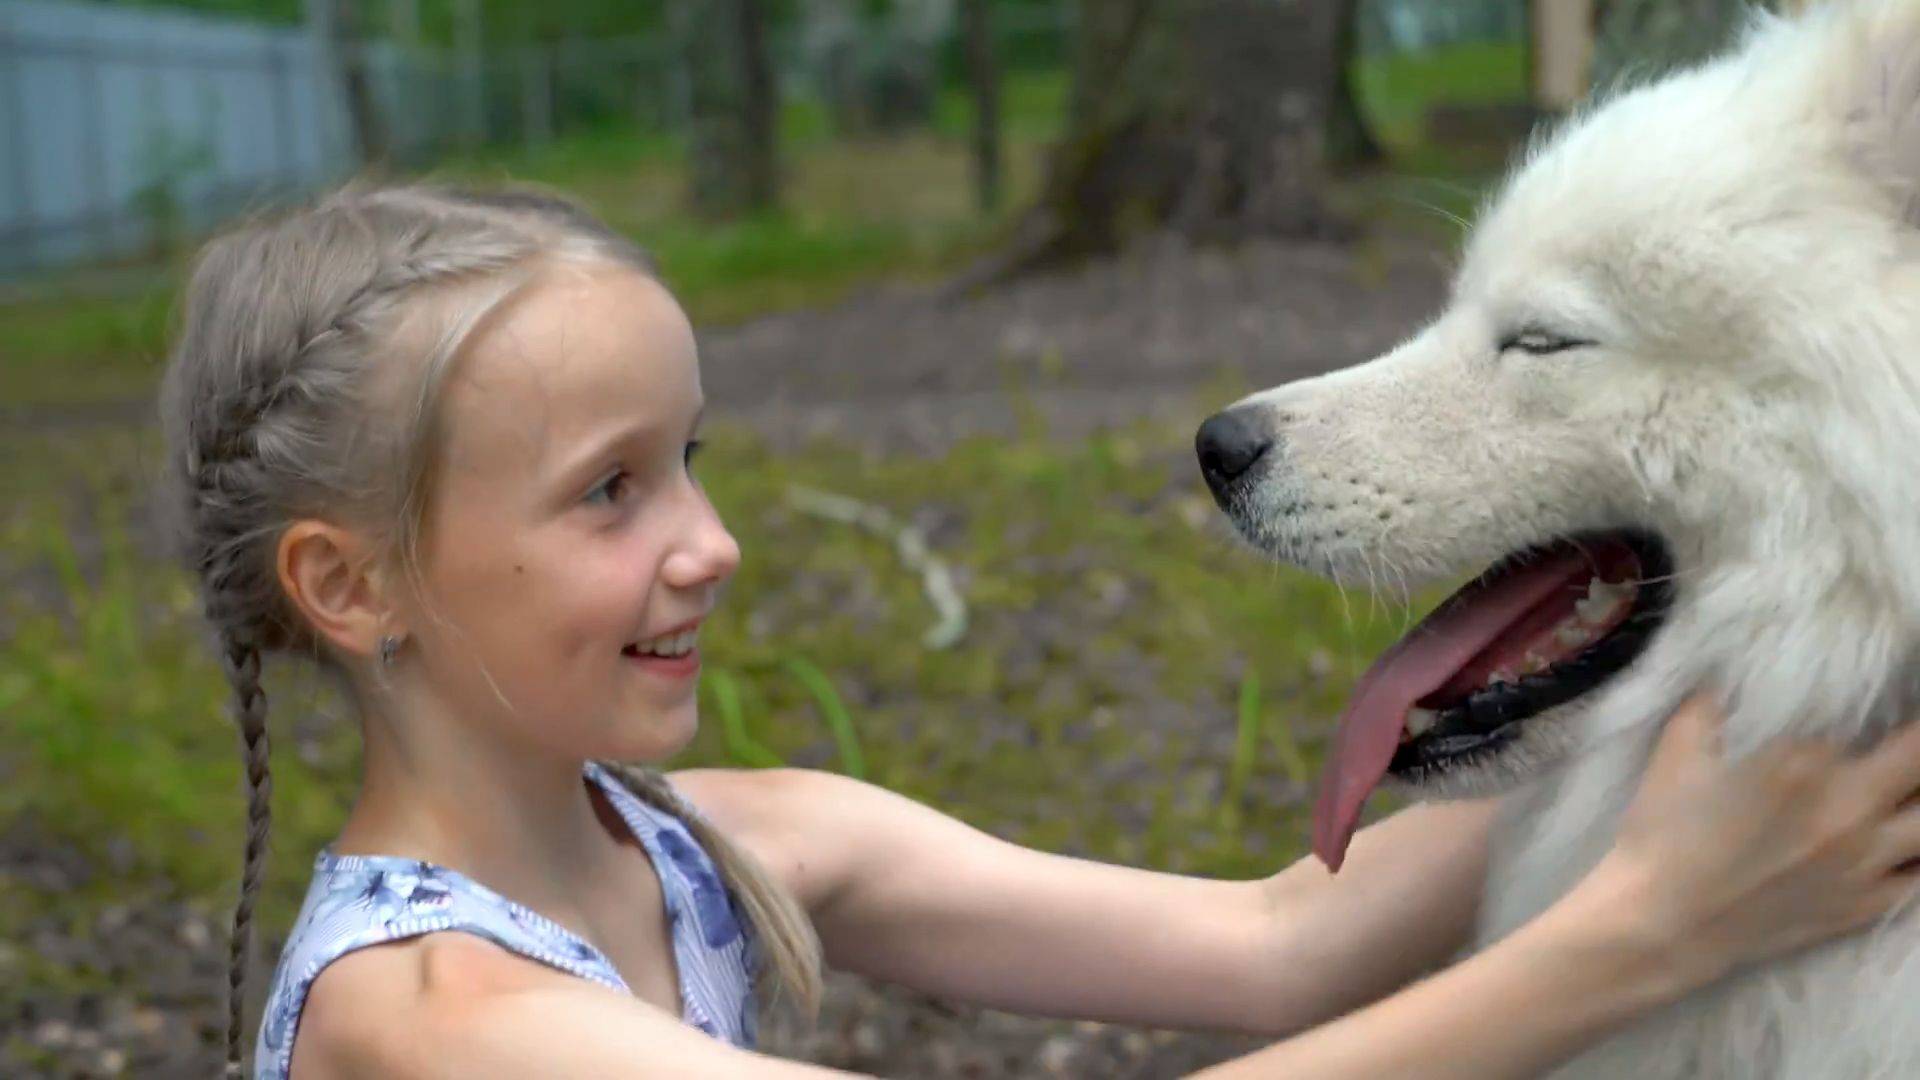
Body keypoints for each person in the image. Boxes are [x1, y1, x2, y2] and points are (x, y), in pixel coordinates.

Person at [157, 182, 1920, 1079]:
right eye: (609, 492)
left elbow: (1267, 949)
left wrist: (1737, 716)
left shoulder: (740, 846)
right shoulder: (428, 1016)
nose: (712, 541)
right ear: (352, 584)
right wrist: (1646, 930)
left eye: (690, 461)